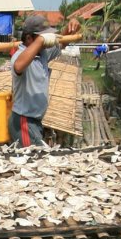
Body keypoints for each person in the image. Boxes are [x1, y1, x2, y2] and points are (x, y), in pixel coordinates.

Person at [9, 14, 76, 146]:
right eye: (42, 37)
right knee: (35, 161)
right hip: (24, 122)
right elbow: (18, 66)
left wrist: (70, 28)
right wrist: (40, 41)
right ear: (29, 38)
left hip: (35, 121)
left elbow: (61, 43)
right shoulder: (19, 56)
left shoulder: (42, 53)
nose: (45, 41)